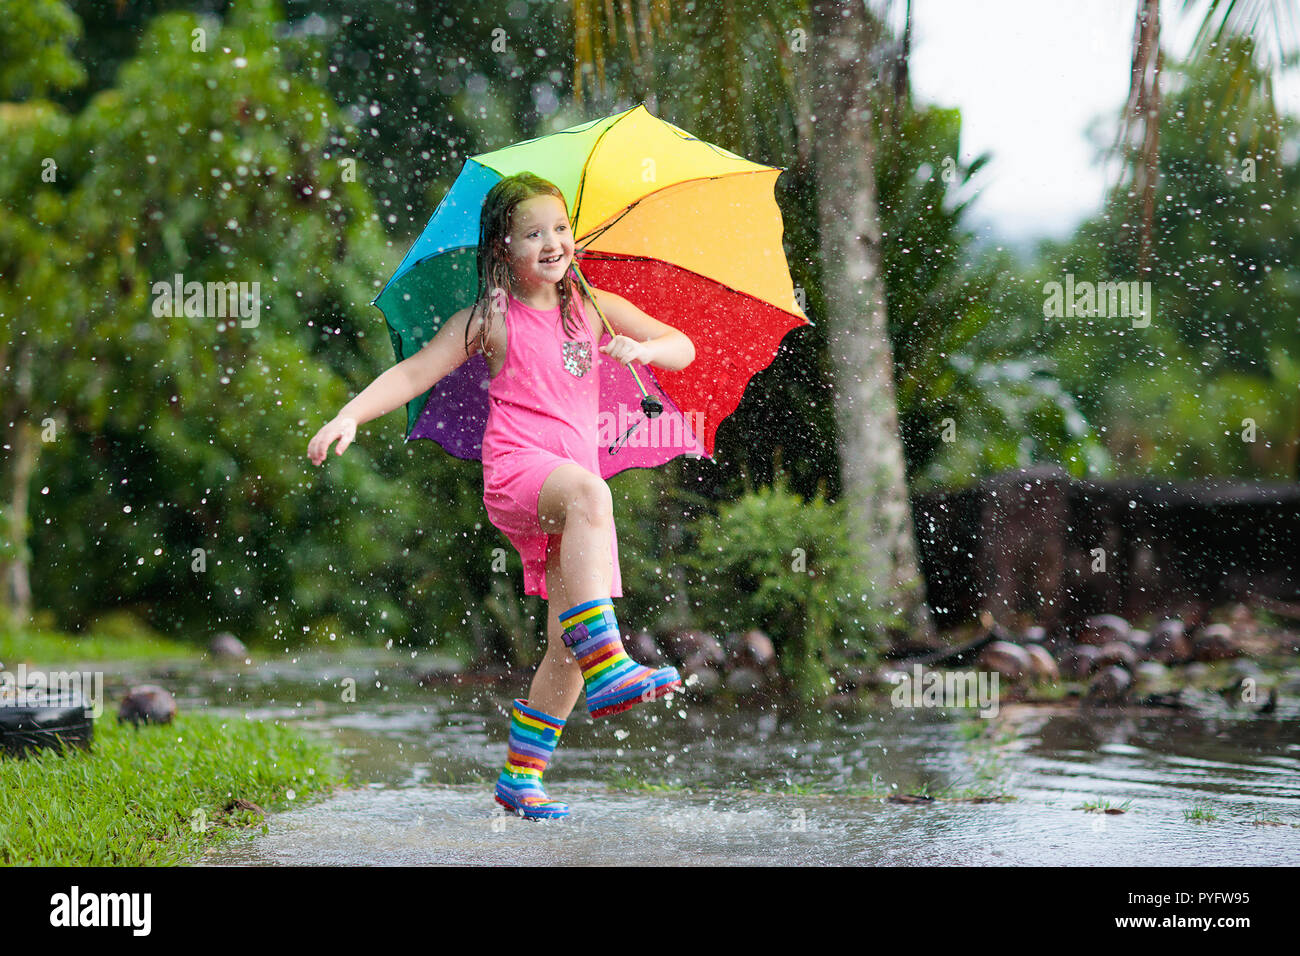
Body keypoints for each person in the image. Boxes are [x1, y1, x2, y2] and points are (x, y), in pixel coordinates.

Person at [307, 172, 696, 820]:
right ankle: (613, 663)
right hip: (521, 474)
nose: (552, 242)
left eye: (561, 228)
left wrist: (644, 346)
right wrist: (350, 415)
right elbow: (416, 370)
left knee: (563, 648)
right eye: (533, 233)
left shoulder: (589, 308)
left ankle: (522, 775)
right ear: (502, 249)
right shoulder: (490, 318)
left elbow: (680, 346)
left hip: (572, 503)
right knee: (592, 497)